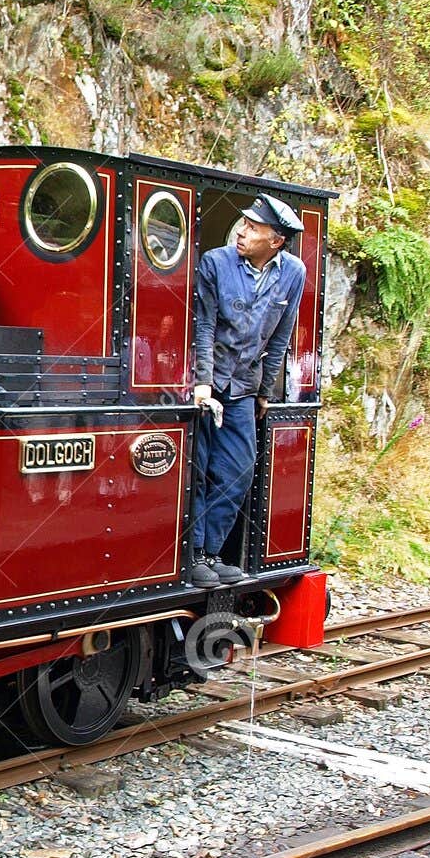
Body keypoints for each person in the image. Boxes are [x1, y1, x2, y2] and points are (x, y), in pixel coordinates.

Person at [188, 193, 307, 589]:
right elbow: (203, 325)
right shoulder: (216, 263)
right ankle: (193, 554)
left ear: (276, 241)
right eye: (244, 224)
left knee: (238, 471)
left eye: (254, 229)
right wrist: (202, 380)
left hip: (244, 387)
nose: (242, 231)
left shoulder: (293, 272)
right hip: (209, 383)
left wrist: (265, 391)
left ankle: (210, 552)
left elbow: (282, 333)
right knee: (199, 470)